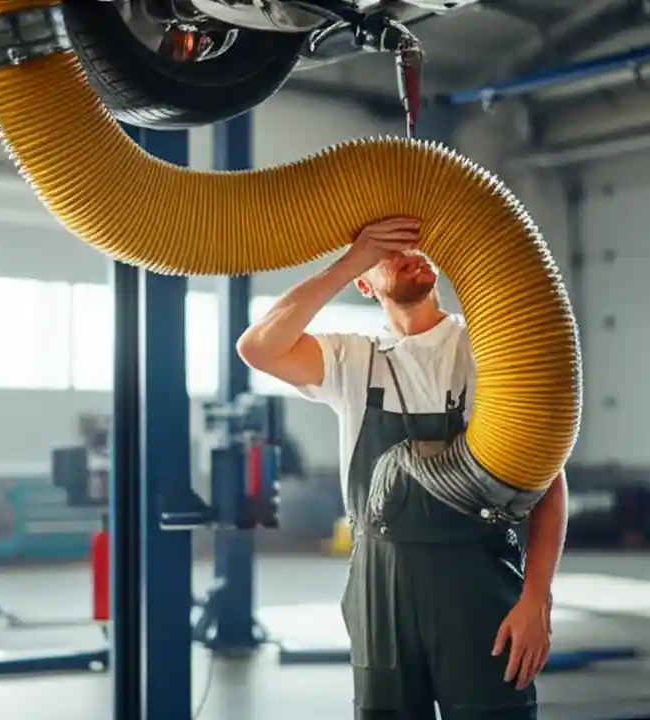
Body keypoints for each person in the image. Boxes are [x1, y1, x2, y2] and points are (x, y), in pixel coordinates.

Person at [237, 216, 569, 719]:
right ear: (365, 284)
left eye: (414, 244)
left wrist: (537, 597)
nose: (408, 252)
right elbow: (257, 347)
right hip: (379, 585)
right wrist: (353, 258)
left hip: (475, 577)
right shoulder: (353, 359)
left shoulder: (487, 350)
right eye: (388, 251)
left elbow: (548, 477)